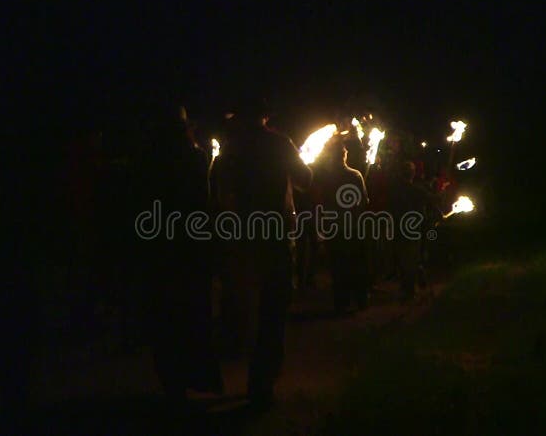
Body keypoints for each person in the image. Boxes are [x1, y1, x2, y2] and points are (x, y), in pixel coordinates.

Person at [210, 102, 312, 408]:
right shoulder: (279, 144)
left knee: (241, 304)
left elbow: (216, 189)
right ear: (265, 117)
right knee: (272, 309)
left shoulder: (230, 149)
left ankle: (237, 364)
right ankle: (261, 381)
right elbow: (305, 179)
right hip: (275, 236)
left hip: (240, 236)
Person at [131, 105, 222, 403]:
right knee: (192, 314)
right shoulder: (194, 157)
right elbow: (204, 200)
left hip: (159, 245)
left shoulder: (147, 160)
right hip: (189, 246)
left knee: (165, 317)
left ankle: (173, 385)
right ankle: (193, 376)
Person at [311, 136, 370, 313]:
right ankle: (360, 300)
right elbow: (363, 201)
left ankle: (341, 302)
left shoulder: (327, 178)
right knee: (355, 265)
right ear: (344, 156)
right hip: (352, 228)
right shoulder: (355, 175)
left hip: (335, 229)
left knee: (338, 267)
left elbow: (321, 203)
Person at [388, 161, 433, 302]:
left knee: (404, 259)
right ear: (412, 173)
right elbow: (432, 200)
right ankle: (410, 290)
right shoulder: (416, 190)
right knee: (411, 259)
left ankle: (407, 287)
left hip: (400, 228)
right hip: (412, 230)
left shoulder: (395, 190)